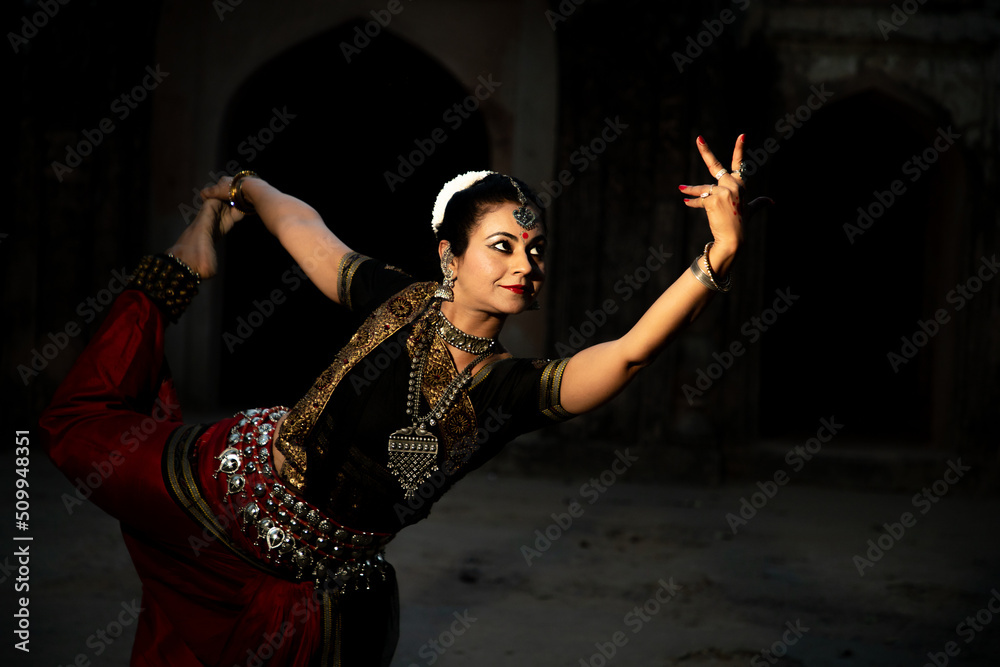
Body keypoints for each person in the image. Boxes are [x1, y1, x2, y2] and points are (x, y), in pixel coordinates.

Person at [40, 135, 765, 666]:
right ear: (452, 256)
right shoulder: (396, 299)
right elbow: (306, 229)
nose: (525, 264)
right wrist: (242, 188)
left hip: (318, 587)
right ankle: (182, 264)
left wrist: (719, 255)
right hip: (225, 489)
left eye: (536, 250)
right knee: (73, 430)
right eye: (504, 245)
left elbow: (630, 352)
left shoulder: (511, 389)